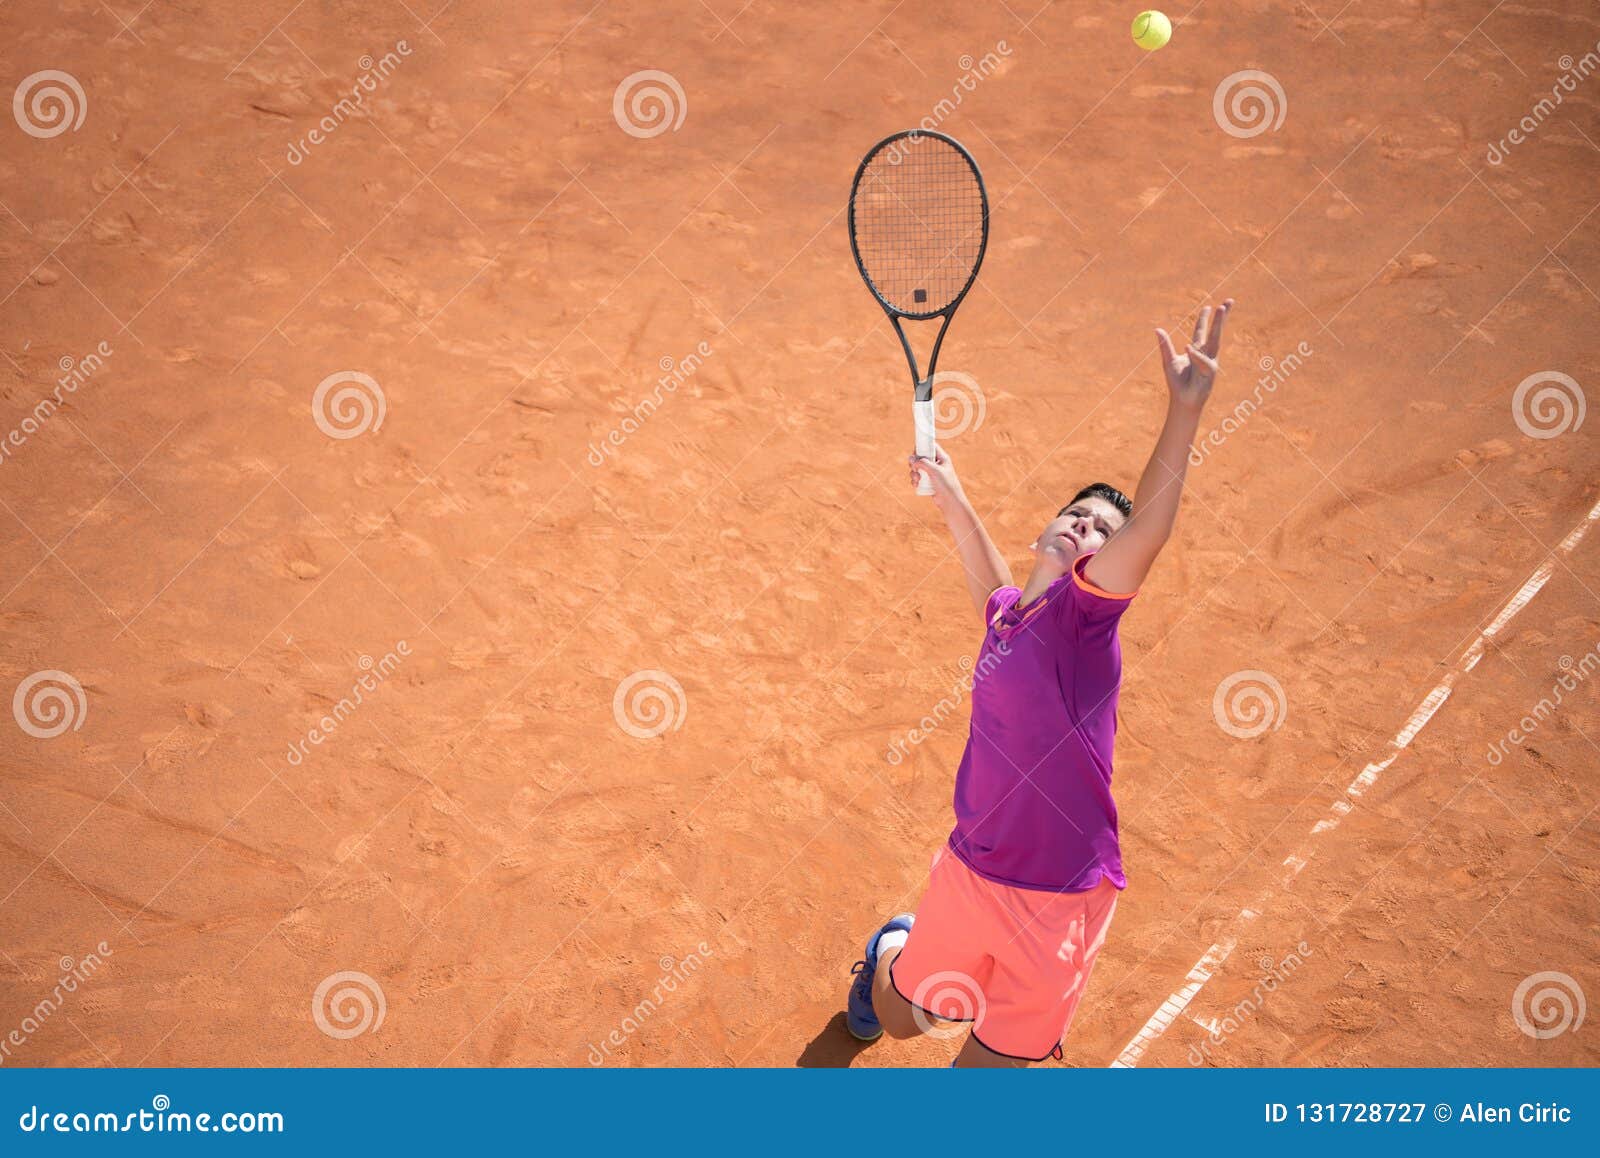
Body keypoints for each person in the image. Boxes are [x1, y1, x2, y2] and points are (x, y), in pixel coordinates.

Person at [846, 299, 1233, 1066]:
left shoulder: (1084, 622)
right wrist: (952, 494)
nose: (1086, 528)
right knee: (901, 1019)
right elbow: (994, 587)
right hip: (973, 872)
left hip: (1060, 903)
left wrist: (1184, 410)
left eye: (1102, 533)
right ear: (1045, 531)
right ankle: (893, 944)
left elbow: (1150, 528)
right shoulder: (1009, 621)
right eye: (1077, 515)